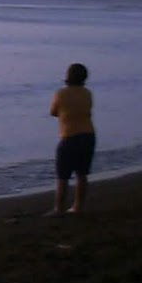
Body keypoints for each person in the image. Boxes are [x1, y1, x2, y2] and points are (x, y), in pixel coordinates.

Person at [49, 62, 95, 215]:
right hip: (88, 135)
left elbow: (54, 112)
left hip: (69, 136)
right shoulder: (87, 93)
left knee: (63, 175)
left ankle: (59, 208)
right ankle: (78, 206)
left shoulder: (61, 94)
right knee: (82, 174)